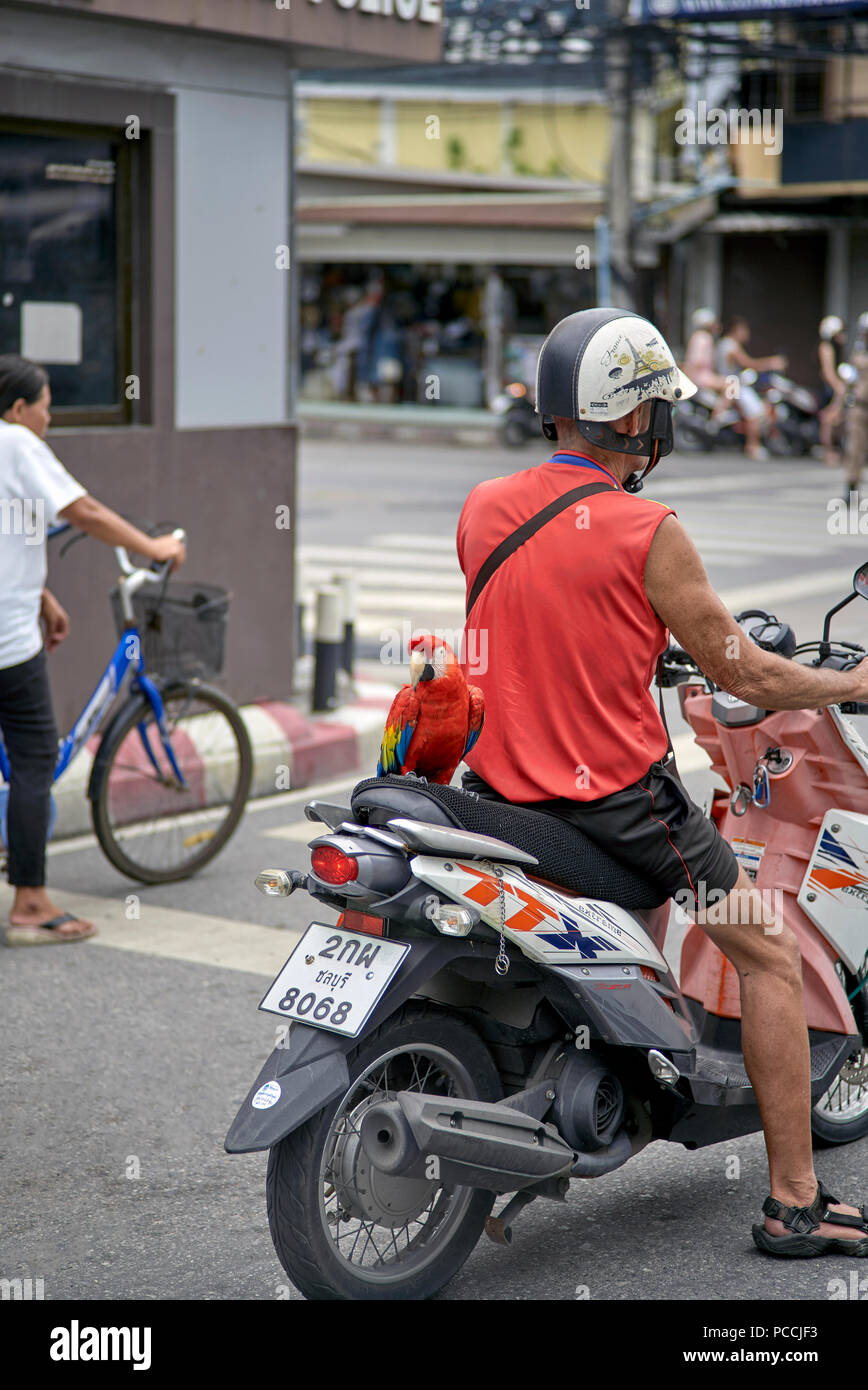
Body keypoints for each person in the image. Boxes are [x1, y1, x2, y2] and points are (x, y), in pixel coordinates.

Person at [456, 307, 868, 1256]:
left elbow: (537, 628)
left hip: (497, 793)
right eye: (659, 410)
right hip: (622, 806)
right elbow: (747, 674)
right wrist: (852, 682)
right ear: (636, 419)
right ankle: (795, 1202)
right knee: (770, 955)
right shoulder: (649, 530)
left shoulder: (484, 506)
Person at [0, 355, 186, 946]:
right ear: (19, 407)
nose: (48, 420)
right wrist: (152, 546)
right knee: (34, 763)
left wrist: (42, 596)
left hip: (17, 615)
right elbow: (84, 510)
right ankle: (30, 902)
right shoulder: (15, 443)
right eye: (46, 408)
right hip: (7, 644)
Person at [715, 315, 786, 462]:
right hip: (734, 385)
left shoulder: (726, 344)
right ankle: (752, 446)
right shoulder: (730, 345)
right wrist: (771, 363)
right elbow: (748, 363)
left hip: (733, 383)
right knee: (754, 412)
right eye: (744, 330)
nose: (746, 333)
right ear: (737, 330)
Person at [843, 312, 868, 501]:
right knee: (854, 449)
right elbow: (849, 381)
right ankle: (851, 489)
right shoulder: (858, 354)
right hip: (859, 407)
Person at [817, 314, 848, 468]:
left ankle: (837, 451)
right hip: (830, 389)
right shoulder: (826, 348)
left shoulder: (835, 349)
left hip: (834, 388)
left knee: (837, 419)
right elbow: (827, 372)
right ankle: (827, 452)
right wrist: (839, 387)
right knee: (828, 419)